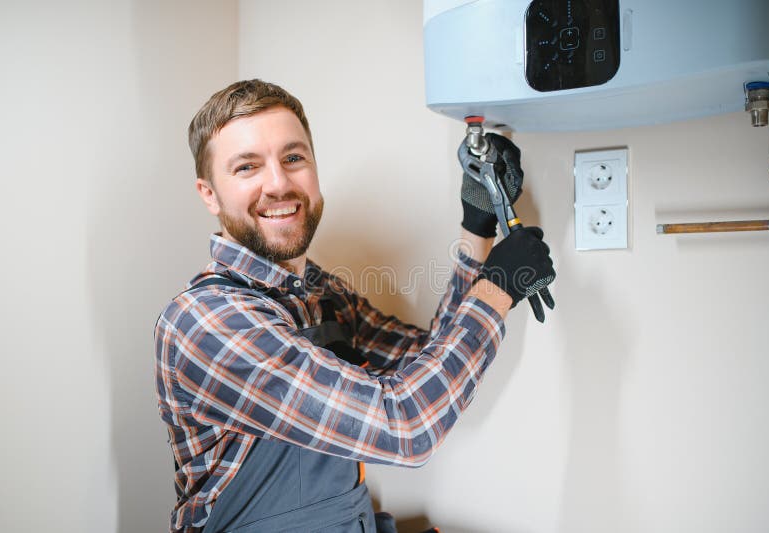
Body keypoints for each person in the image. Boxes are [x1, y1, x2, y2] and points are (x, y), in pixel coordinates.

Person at [154, 79, 555, 533]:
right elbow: (408, 427)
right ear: (209, 194)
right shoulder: (207, 323)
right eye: (247, 167)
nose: (279, 183)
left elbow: (429, 365)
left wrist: (477, 225)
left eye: (293, 158)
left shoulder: (318, 293)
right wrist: (495, 290)